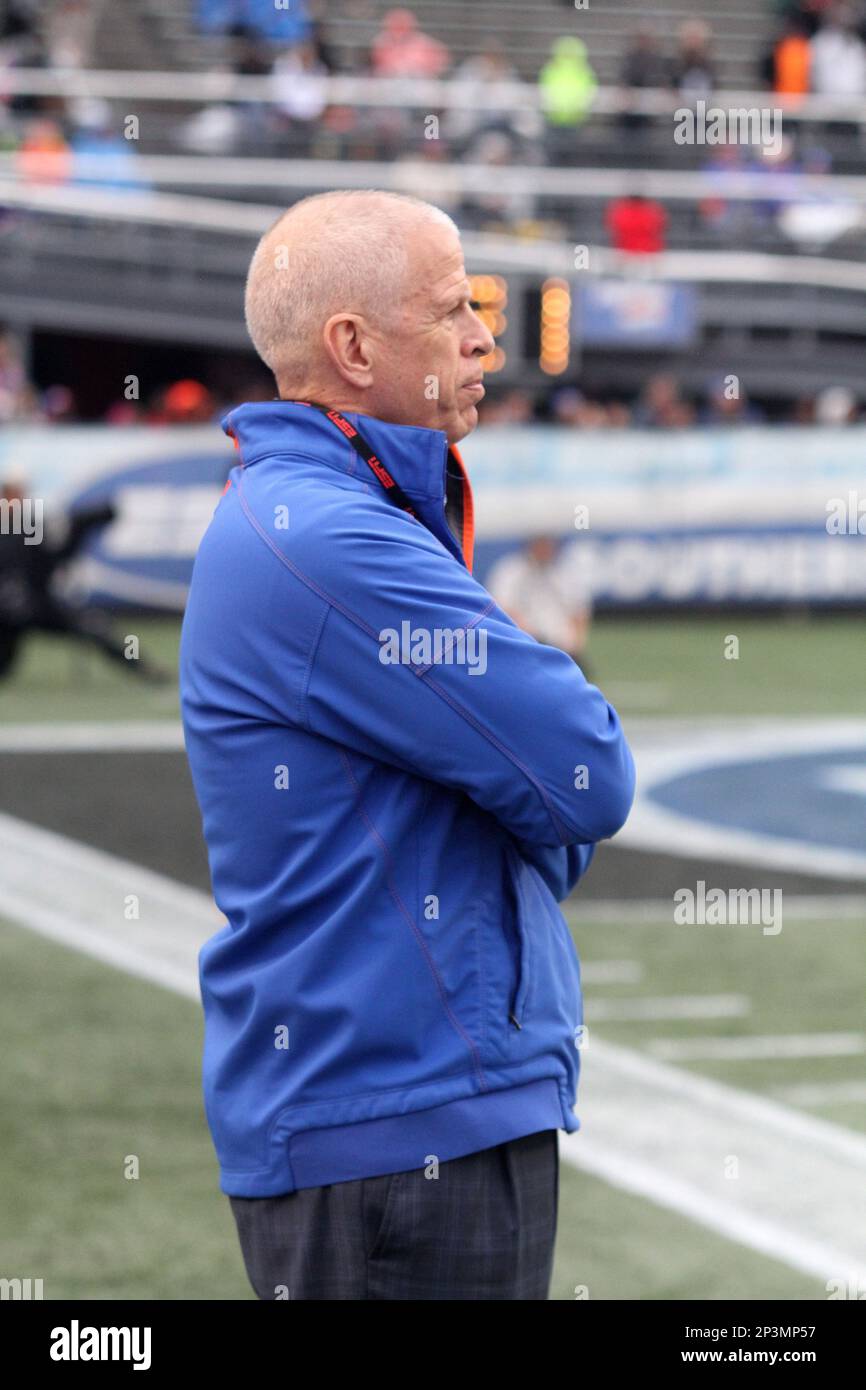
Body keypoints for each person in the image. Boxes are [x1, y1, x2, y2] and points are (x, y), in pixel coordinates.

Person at [179, 189, 635, 1301]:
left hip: (396, 1110)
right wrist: (525, 804)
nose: (485, 337)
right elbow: (587, 771)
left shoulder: (331, 516)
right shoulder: (328, 537)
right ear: (351, 345)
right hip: (394, 1127)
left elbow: (552, 788)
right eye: (451, 311)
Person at [0, 479, 169, 681]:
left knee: (95, 626)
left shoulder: (32, 526)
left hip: (38, 604)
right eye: (12, 495)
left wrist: (83, 527)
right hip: (5, 612)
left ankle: (143, 667)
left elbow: (56, 556)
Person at [486, 535, 593, 672]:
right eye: (540, 542)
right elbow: (502, 607)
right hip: (525, 644)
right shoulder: (510, 570)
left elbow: (579, 611)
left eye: (547, 542)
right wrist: (530, 637)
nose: (545, 548)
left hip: (561, 647)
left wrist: (574, 644)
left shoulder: (565, 572)